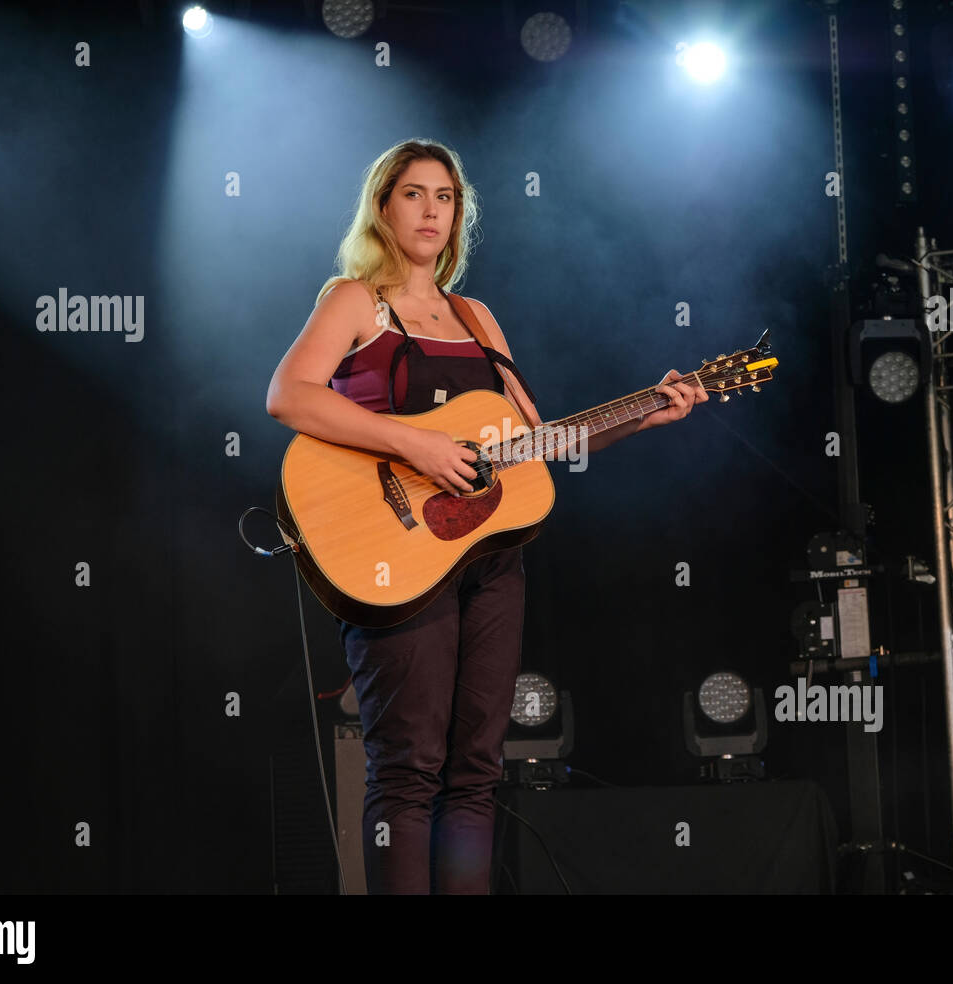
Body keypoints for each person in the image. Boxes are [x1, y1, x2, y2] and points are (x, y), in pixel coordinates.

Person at [266, 138, 707, 894]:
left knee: (475, 772)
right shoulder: (353, 300)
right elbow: (290, 396)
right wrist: (419, 445)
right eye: (414, 193)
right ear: (383, 207)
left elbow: (534, 444)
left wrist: (643, 416)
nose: (431, 209)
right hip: (395, 557)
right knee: (408, 770)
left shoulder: (476, 318)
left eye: (445, 197)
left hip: (490, 560)